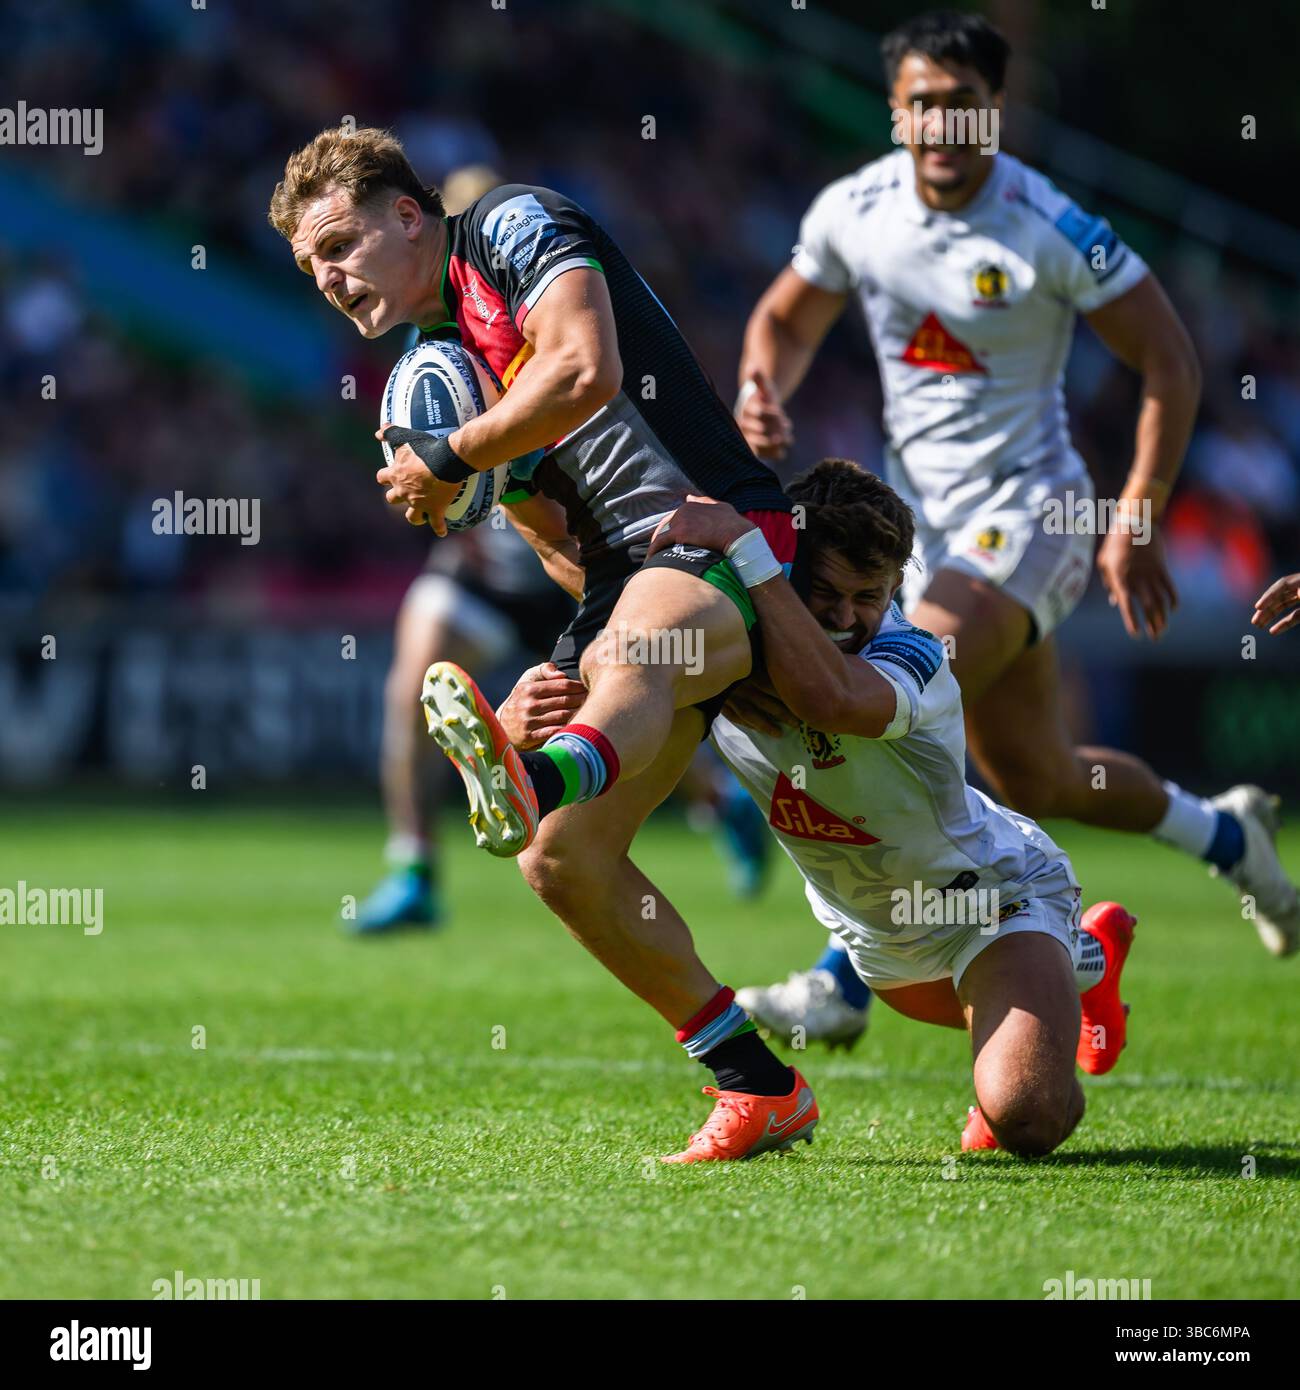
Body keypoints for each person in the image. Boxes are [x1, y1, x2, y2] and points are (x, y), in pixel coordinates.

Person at [734, 9, 1296, 1040]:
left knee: (899, 676)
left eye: (963, 108)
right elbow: (780, 319)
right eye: (922, 107)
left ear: (997, 113)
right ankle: (1228, 834)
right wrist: (760, 388)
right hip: (924, 536)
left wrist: (1134, 515)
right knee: (1038, 774)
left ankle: (839, 983)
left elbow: (1168, 359)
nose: (942, 128)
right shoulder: (853, 210)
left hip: (1036, 514)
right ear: (895, 114)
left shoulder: (1050, 225)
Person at [271, 126, 816, 1153]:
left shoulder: (515, 225)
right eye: (312, 267)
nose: (331, 277)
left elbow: (582, 368)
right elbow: (560, 553)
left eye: (340, 244)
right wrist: (557, 681)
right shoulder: (436, 365)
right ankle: (756, 1083)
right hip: (630, 588)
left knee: (633, 669)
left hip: (729, 532)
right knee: (560, 862)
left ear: (407, 213)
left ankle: (548, 776)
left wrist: (447, 455)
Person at [645, 458, 1136, 1156]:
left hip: (989, 907)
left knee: (1023, 1120)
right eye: (824, 592)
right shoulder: (734, 645)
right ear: (790, 571)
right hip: (875, 944)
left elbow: (834, 699)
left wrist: (739, 544)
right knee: (1023, 1077)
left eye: (868, 595)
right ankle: (1085, 966)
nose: (846, 617)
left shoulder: (915, 657)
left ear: (897, 586)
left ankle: (1055, 983)